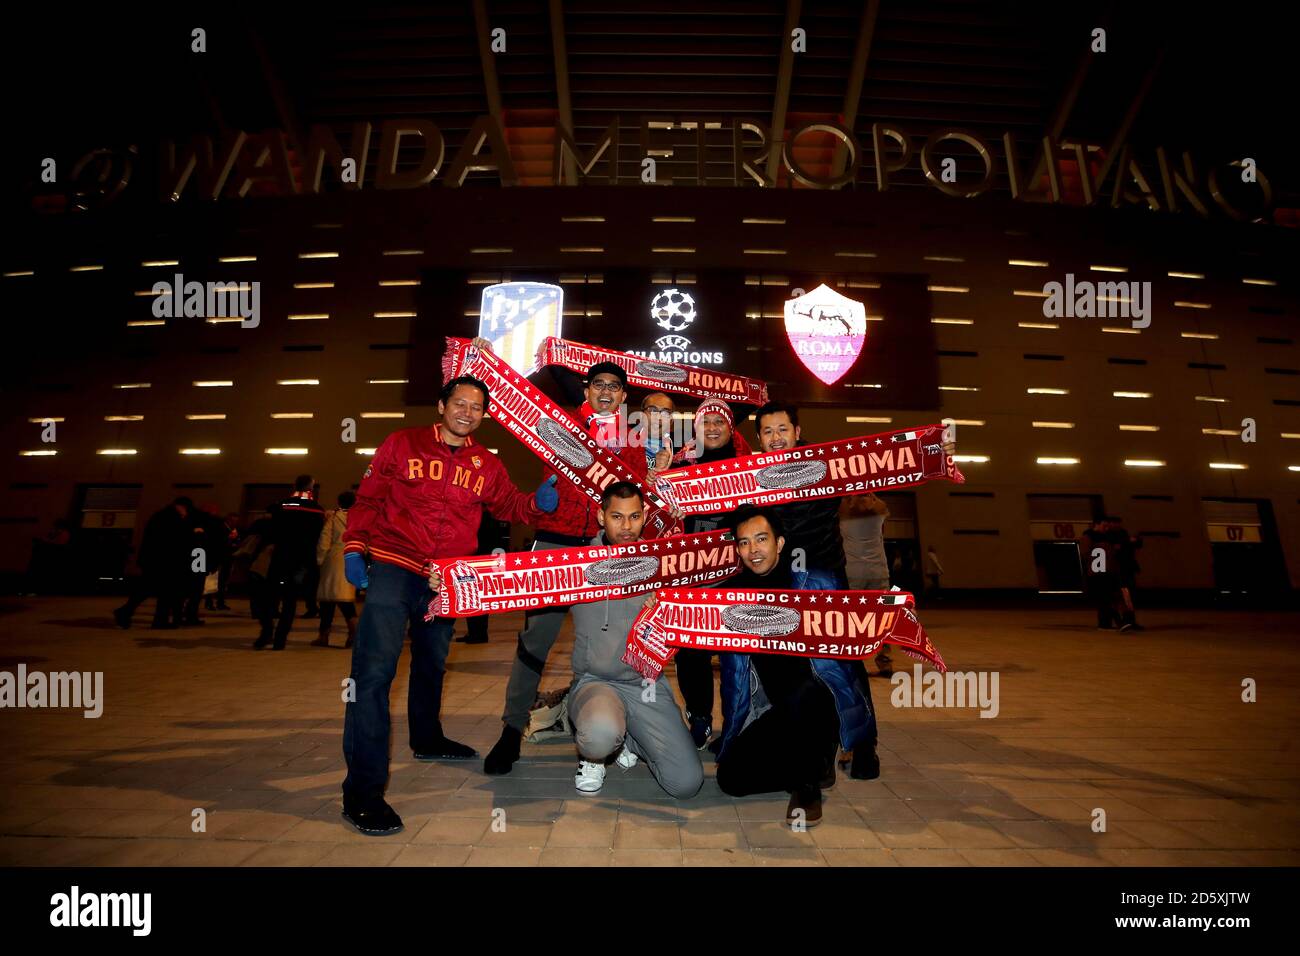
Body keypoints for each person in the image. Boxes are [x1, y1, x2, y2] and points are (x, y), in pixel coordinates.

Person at [339, 374, 559, 836]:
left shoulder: (486, 464)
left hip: (446, 576)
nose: (467, 412)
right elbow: (369, 499)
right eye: (459, 403)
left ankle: (427, 737)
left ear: (483, 415)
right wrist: (355, 547)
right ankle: (362, 794)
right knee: (374, 676)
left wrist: (538, 504)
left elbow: (511, 507)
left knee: (433, 661)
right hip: (395, 565)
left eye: (476, 407)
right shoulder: (403, 444)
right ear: (442, 405)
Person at [434, 482, 702, 798]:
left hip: (646, 686)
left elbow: (713, 582)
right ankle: (593, 751)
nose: (626, 527)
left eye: (633, 517)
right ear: (602, 518)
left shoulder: (664, 563)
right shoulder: (574, 565)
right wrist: (450, 579)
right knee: (599, 735)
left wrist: (672, 585)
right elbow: (506, 582)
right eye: (616, 517)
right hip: (597, 683)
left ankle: (632, 736)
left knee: (685, 784)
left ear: (645, 516)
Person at [483, 358, 647, 776]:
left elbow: (637, 498)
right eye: (598, 384)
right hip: (555, 543)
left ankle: (616, 726)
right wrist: (485, 358)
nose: (606, 391)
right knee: (535, 641)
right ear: (587, 390)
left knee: (614, 642)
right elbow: (513, 396)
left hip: (601, 549)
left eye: (614, 385)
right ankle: (510, 728)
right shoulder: (558, 422)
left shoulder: (631, 440)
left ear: (624, 396)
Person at [715, 507, 880, 828]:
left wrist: (863, 738)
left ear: (780, 543)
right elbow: (684, 615)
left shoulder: (817, 583)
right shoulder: (728, 596)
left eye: (761, 540)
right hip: (776, 710)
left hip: (819, 701)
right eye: (744, 543)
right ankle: (812, 766)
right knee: (730, 781)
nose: (753, 550)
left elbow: (851, 661)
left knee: (802, 691)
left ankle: (806, 788)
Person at [752, 400, 880, 770]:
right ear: (758, 438)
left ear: (797, 432)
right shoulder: (751, 475)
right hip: (777, 584)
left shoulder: (827, 466)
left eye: (783, 430)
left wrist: (932, 450)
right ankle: (801, 735)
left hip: (824, 579)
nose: (776, 438)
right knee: (791, 665)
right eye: (768, 432)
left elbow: (885, 463)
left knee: (843, 659)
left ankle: (862, 744)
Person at [673, 398, 754, 751]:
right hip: (693, 575)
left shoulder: (744, 467)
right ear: (696, 429)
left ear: (730, 428)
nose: (712, 428)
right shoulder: (680, 465)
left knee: (736, 653)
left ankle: (737, 723)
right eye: (705, 422)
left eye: (719, 422)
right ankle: (700, 717)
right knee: (691, 652)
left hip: (735, 574)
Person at [254, 476, 326, 649]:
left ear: (295, 485)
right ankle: (280, 639)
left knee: (269, 595)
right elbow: (318, 535)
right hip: (302, 559)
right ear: (311, 487)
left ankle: (266, 633)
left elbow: (273, 522)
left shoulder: (284, 504)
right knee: (290, 600)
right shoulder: (317, 509)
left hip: (282, 555)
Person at [113, 497, 193, 630]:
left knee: (154, 590)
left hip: (155, 561)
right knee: (158, 590)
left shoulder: (162, 516)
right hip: (162, 562)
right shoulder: (171, 518)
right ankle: (133, 613)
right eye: (186, 510)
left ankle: (137, 614)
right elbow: (174, 540)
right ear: (181, 507)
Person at [841, 492, 894, 675]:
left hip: (853, 573)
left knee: (853, 620)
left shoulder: (843, 511)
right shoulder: (879, 509)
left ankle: (854, 660)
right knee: (883, 617)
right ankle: (884, 661)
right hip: (879, 571)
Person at [311, 491, 358, 649]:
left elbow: (324, 539)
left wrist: (320, 559)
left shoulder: (333, 517)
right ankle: (354, 633)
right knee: (346, 600)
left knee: (327, 600)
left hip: (334, 559)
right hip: (352, 558)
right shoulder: (359, 519)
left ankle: (323, 636)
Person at [455, 509, 500, 645]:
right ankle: (476, 632)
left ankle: (477, 634)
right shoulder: (489, 517)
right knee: (476, 598)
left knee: (473, 598)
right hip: (482, 561)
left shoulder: (477, 516)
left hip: (476, 560)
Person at [1080, 520, 1123, 630]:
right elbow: (1086, 554)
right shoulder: (1089, 537)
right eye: (1104, 526)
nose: (1106, 528)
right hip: (1098, 572)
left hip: (1106, 571)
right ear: (1097, 525)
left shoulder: (1106, 537)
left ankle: (1105, 623)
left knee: (1105, 598)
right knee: (1105, 598)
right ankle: (1111, 623)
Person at [1109, 516, 1144, 632]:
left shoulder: (1122, 534)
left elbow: (1131, 546)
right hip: (1120, 570)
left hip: (1126, 569)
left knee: (1129, 596)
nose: (1117, 525)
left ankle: (1129, 621)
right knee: (1124, 596)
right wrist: (1128, 542)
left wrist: (1134, 541)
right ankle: (1125, 621)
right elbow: (1116, 548)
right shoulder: (1111, 535)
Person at [636, 391, 678, 477]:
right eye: (652, 410)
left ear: (671, 421)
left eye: (665, 412)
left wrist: (662, 473)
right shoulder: (623, 444)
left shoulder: (681, 454)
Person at [205, 513, 240, 611]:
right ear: (228, 520)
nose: (235, 523)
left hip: (226, 558)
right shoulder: (220, 529)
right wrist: (230, 539)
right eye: (234, 521)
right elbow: (217, 543)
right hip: (218, 558)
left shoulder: (232, 530)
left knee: (222, 581)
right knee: (214, 580)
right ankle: (210, 602)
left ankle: (219, 602)